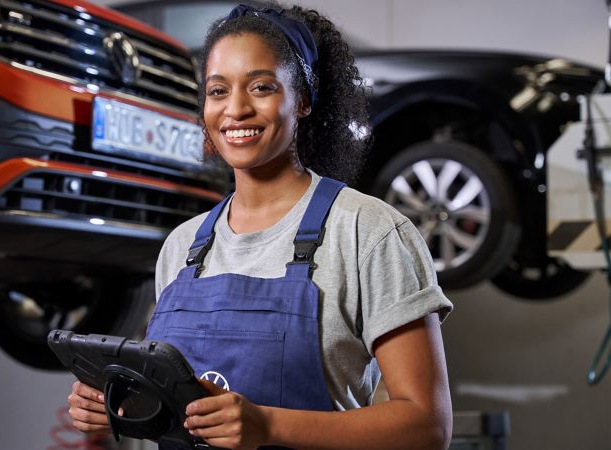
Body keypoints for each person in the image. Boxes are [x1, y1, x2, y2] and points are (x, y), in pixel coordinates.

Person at [68, 2, 454, 449]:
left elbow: (427, 427)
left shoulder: (368, 232)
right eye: (217, 91)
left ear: (303, 101)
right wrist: (120, 404)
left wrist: (268, 426)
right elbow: (181, 412)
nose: (236, 109)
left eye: (261, 87)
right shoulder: (181, 247)